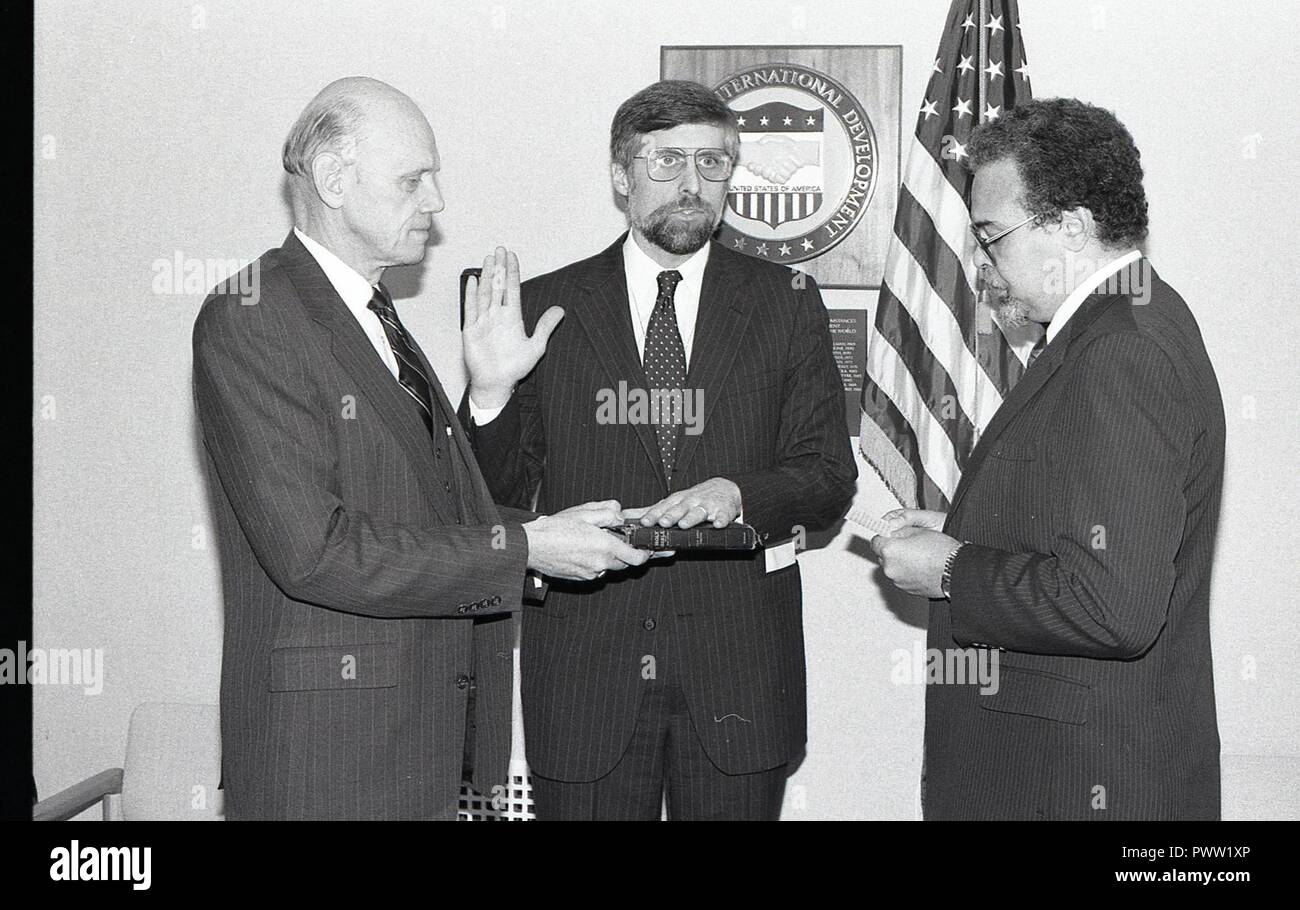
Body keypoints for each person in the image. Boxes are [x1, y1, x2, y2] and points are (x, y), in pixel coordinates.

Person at [192, 76, 649, 820]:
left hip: (417, 751)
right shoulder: (253, 315)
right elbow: (314, 551)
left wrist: (492, 396)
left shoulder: (377, 314)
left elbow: (427, 511)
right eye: (413, 179)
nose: (435, 203)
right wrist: (527, 547)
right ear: (334, 180)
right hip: (327, 764)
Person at [459, 80, 857, 820]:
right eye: (668, 160)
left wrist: (742, 495)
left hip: (739, 674)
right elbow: (487, 502)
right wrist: (489, 396)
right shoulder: (548, 308)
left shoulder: (787, 300)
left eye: (712, 162)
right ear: (621, 176)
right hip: (586, 677)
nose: (691, 183)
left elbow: (828, 476)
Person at [871, 98, 1225, 820]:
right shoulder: (1133, 315)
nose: (980, 261)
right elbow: (1097, 515)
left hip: (1074, 779)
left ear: (1071, 226)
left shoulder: (1119, 348)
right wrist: (971, 520)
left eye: (992, 237)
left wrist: (948, 567)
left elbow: (1112, 606)